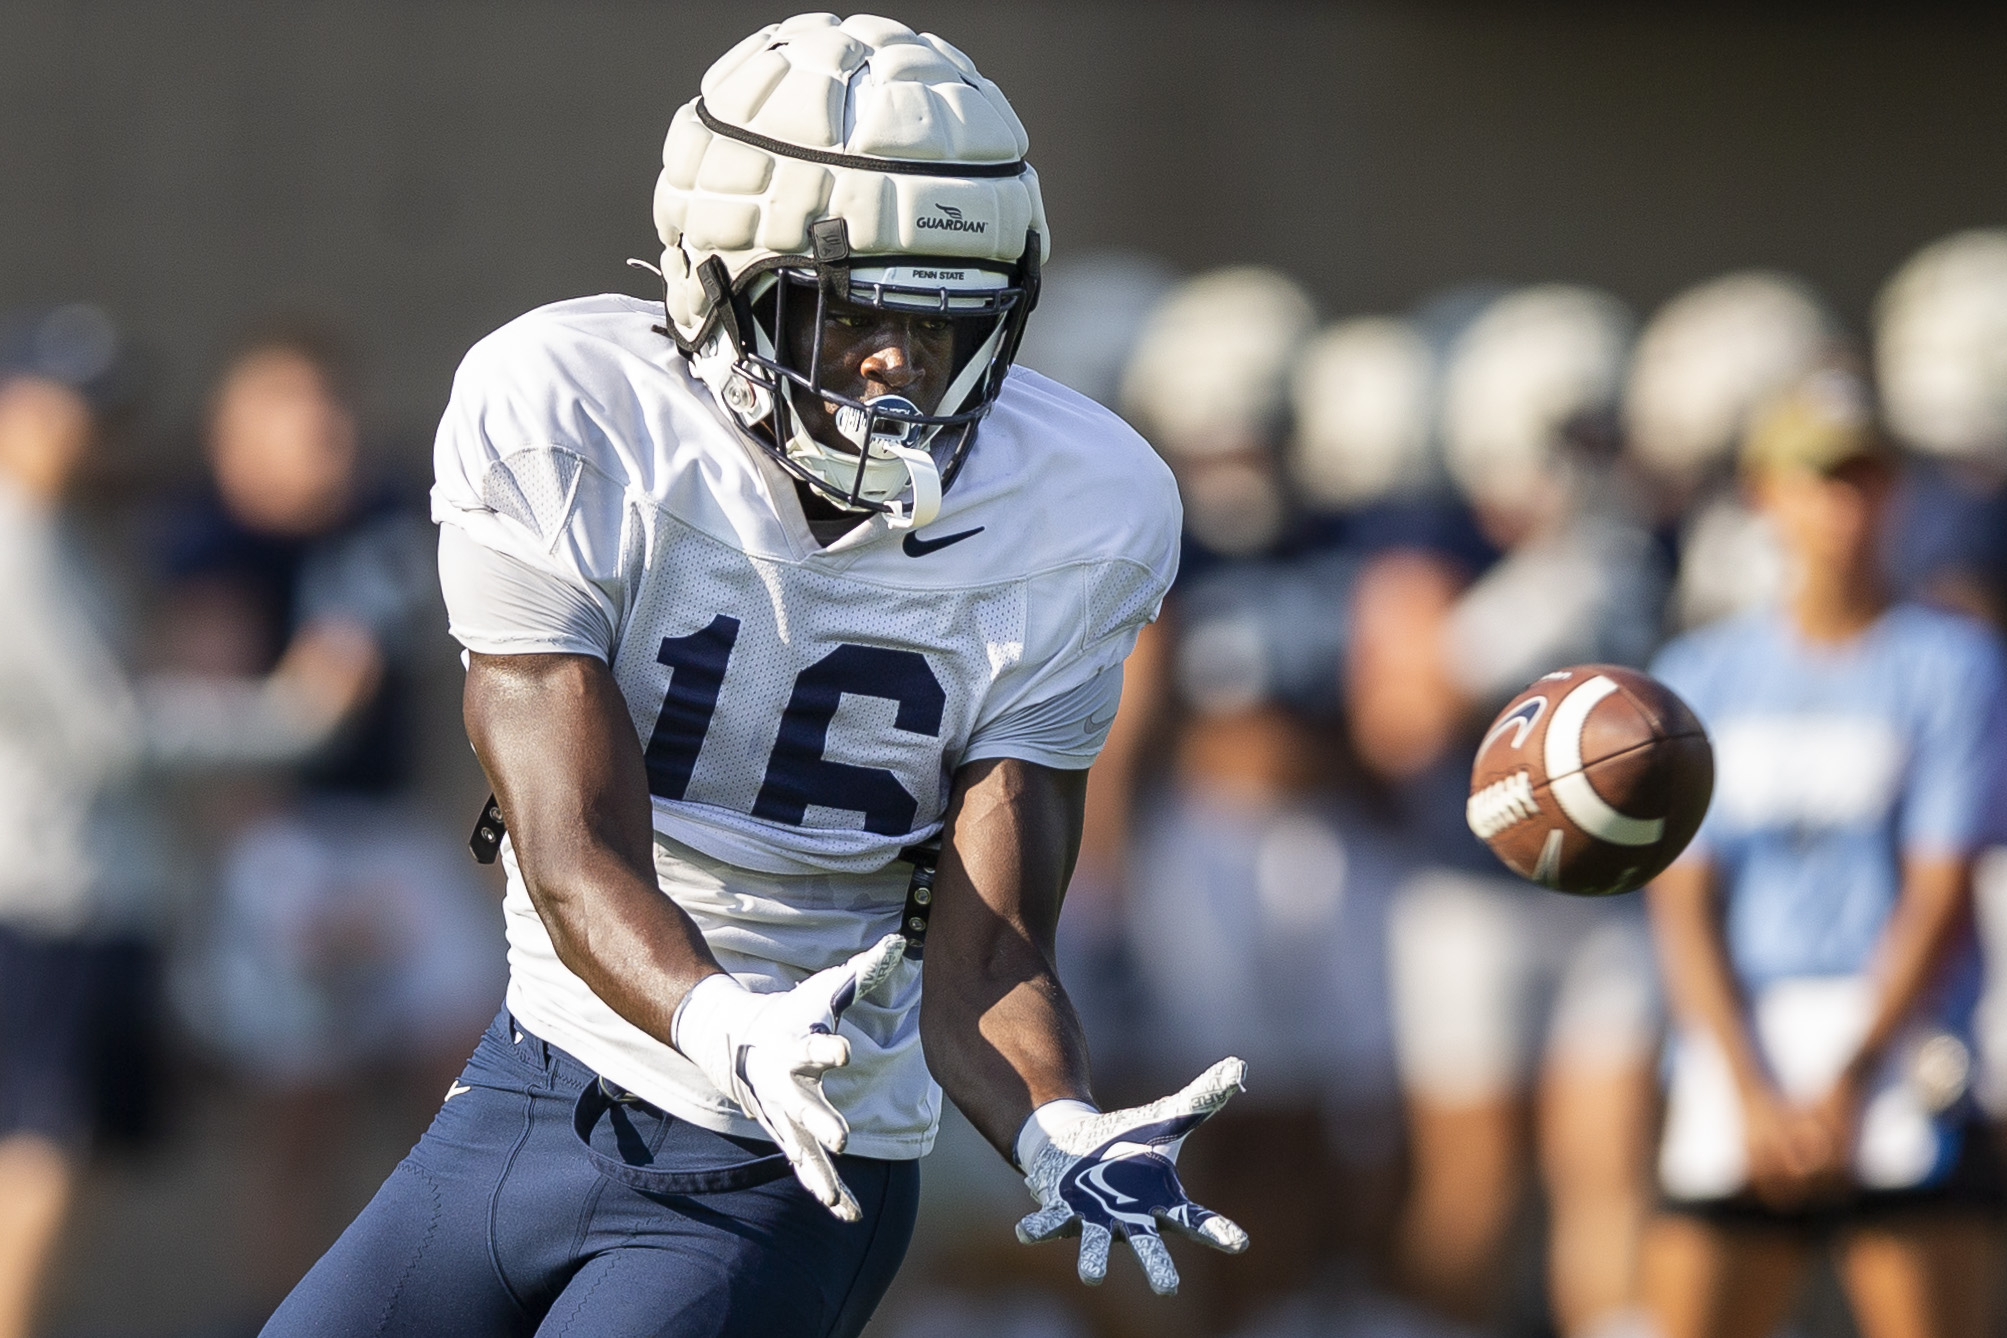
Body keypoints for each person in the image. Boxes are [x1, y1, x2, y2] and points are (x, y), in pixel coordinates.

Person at [261, 14, 1247, 1337]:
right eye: (850, 315)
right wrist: (721, 1018)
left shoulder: (1083, 504)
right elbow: (568, 845)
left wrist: (1052, 1122)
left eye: (939, 318)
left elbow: (992, 948)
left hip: (790, 1165)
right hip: (531, 1091)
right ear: (712, 282)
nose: (901, 364)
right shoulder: (565, 410)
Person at [1643, 369, 2007, 1338]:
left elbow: (1940, 889)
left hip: (1899, 1036)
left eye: (1864, 478)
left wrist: (1845, 1082)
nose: (1843, 505)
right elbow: (1683, 900)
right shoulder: (1706, 673)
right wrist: (1751, 1088)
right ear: (1766, 494)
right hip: (1743, 1034)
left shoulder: (1951, 664)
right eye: (1818, 478)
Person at [154, 324, 502, 1309]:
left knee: (470, 1092)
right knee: (300, 1119)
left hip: (390, 829)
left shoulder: (389, 513)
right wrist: (272, 872)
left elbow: (463, 688)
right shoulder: (218, 541)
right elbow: (217, 718)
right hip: (283, 839)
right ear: (234, 434)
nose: (323, 428)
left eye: (330, 403)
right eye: (291, 408)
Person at [0, 305, 142, 1338]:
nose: (83, 430)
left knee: (59, 1142)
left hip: (71, 889)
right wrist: (294, 715)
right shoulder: (17, 541)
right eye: (61, 403)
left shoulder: (53, 535)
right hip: (50, 891)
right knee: (44, 1142)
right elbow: (108, 734)